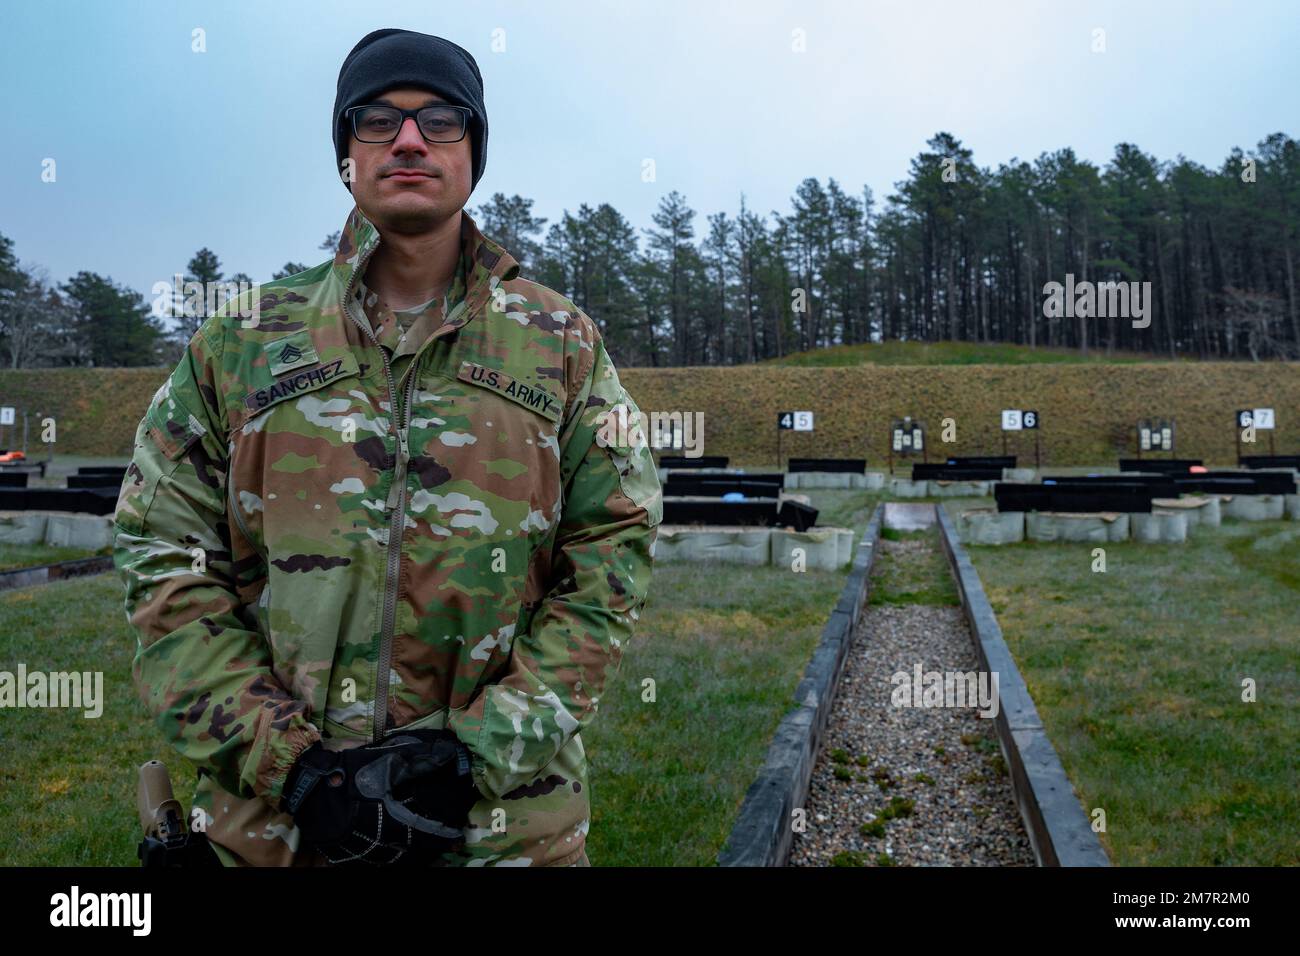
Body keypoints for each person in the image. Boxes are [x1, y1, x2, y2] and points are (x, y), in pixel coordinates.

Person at [113, 27, 661, 867]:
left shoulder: (561, 344)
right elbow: (162, 556)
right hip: (277, 836)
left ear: (475, 150)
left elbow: (614, 551)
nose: (409, 139)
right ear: (346, 153)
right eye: (376, 119)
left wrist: (481, 751)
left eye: (441, 119)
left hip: (499, 837)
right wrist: (292, 769)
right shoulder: (241, 345)